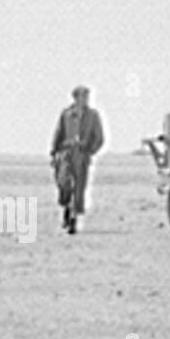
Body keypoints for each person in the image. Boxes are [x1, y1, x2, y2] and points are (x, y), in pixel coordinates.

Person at [49, 85, 104, 234]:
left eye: (87, 96)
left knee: (79, 189)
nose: (86, 99)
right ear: (75, 97)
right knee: (64, 183)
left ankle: (73, 219)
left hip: (82, 154)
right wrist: (54, 152)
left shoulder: (93, 116)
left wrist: (90, 151)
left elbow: (99, 137)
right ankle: (66, 207)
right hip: (65, 153)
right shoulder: (66, 114)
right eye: (83, 96)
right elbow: (58, 133)